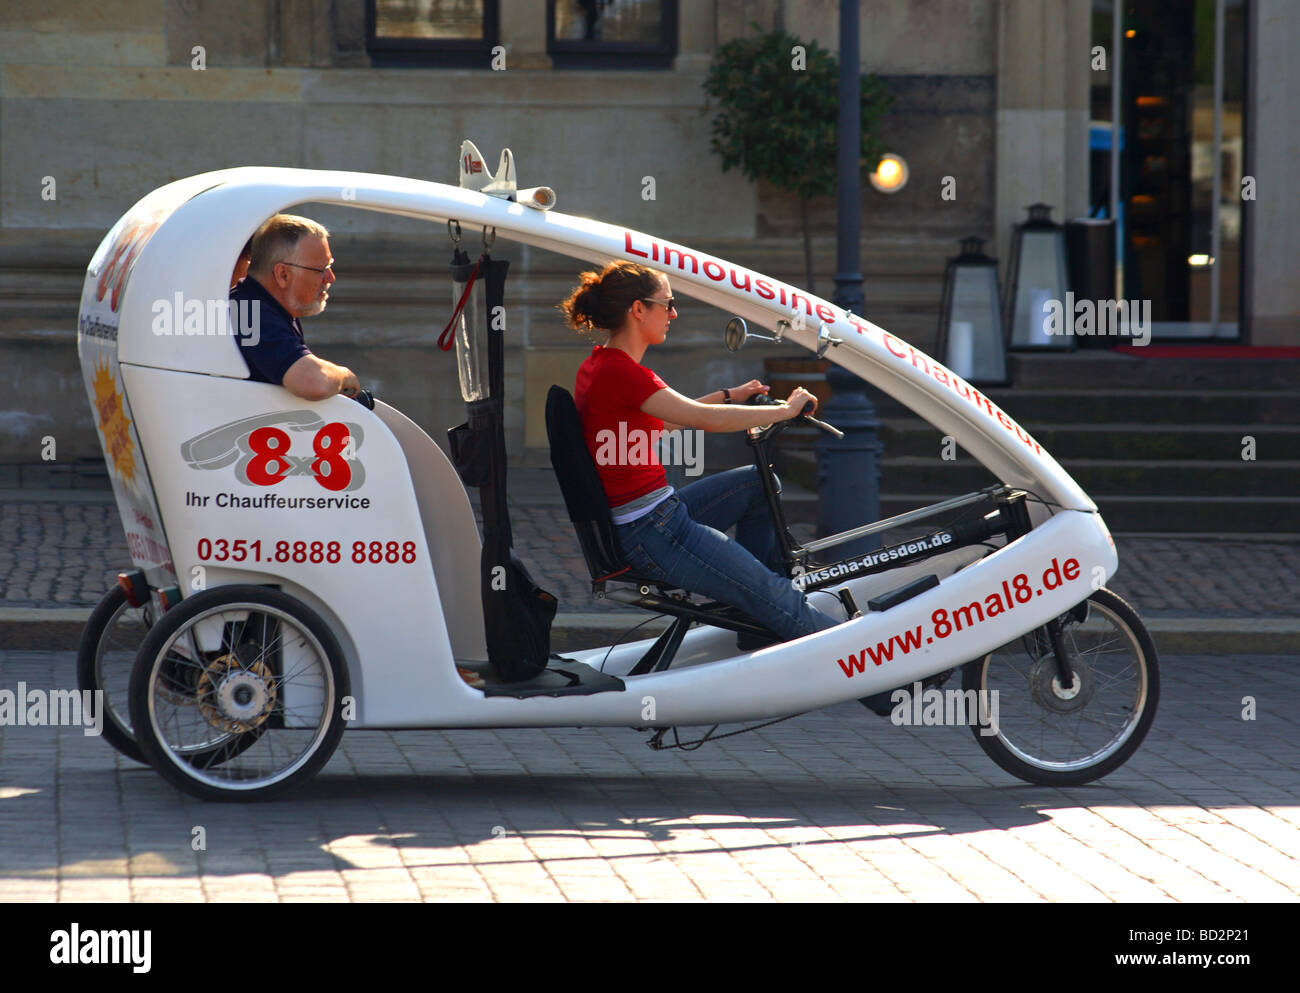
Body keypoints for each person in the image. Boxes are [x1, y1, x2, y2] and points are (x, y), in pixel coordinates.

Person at [560, 260, 842, 649]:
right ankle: (881, 682)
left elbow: (672, 420)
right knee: (776, 594)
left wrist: (731, 396)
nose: (673, 313)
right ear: (638, 309)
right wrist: (784, 410)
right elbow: (702, 419)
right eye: (667, 303)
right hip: (653, 531)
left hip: (651, 519)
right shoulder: (623, 373)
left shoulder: (601, 365)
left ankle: (756, 620)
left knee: (757, 484)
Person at [230, 214, 361, 401]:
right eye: (320, 270)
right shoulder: (249, 313)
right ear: (283, 274)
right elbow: (313, 382)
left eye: (330, 266)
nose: (330, 278)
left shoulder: (265, 306)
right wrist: (343, 376)